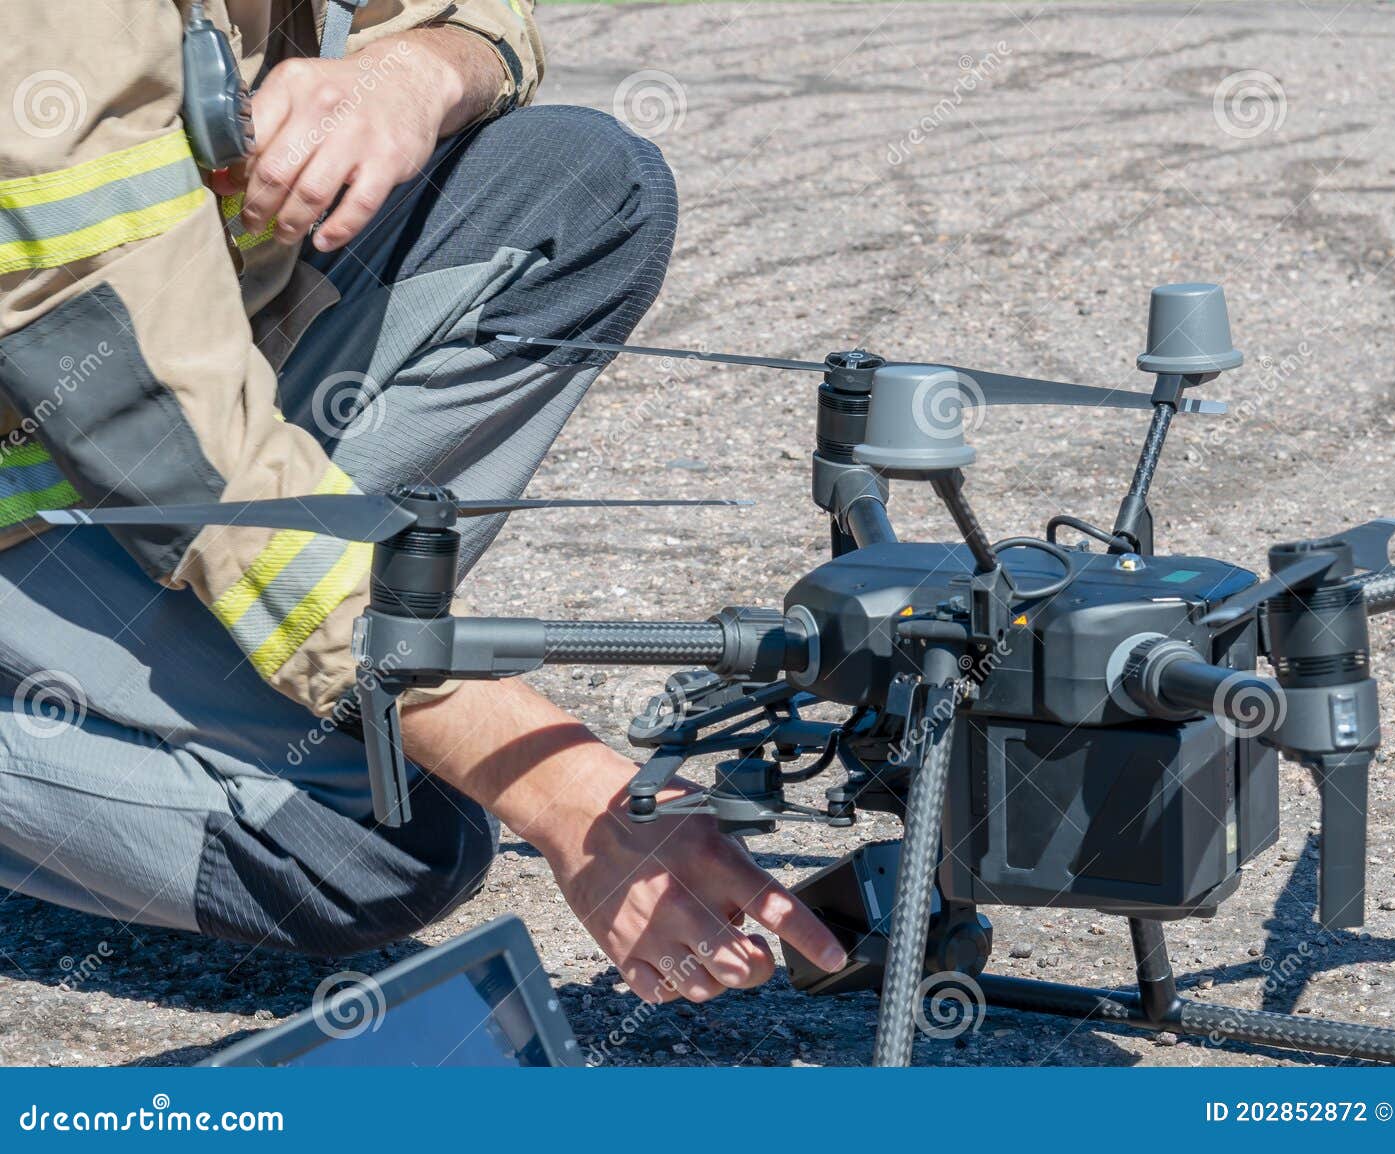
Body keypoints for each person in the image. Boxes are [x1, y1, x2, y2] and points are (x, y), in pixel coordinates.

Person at [0, 0, 846, 1006]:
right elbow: (161, 440)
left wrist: (411, 73)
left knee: (584, 187)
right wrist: (562, 790)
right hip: (97, 440)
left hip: (167, 411)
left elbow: (481, 16)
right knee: (375, 838)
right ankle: (297, 677)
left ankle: (300, 670)